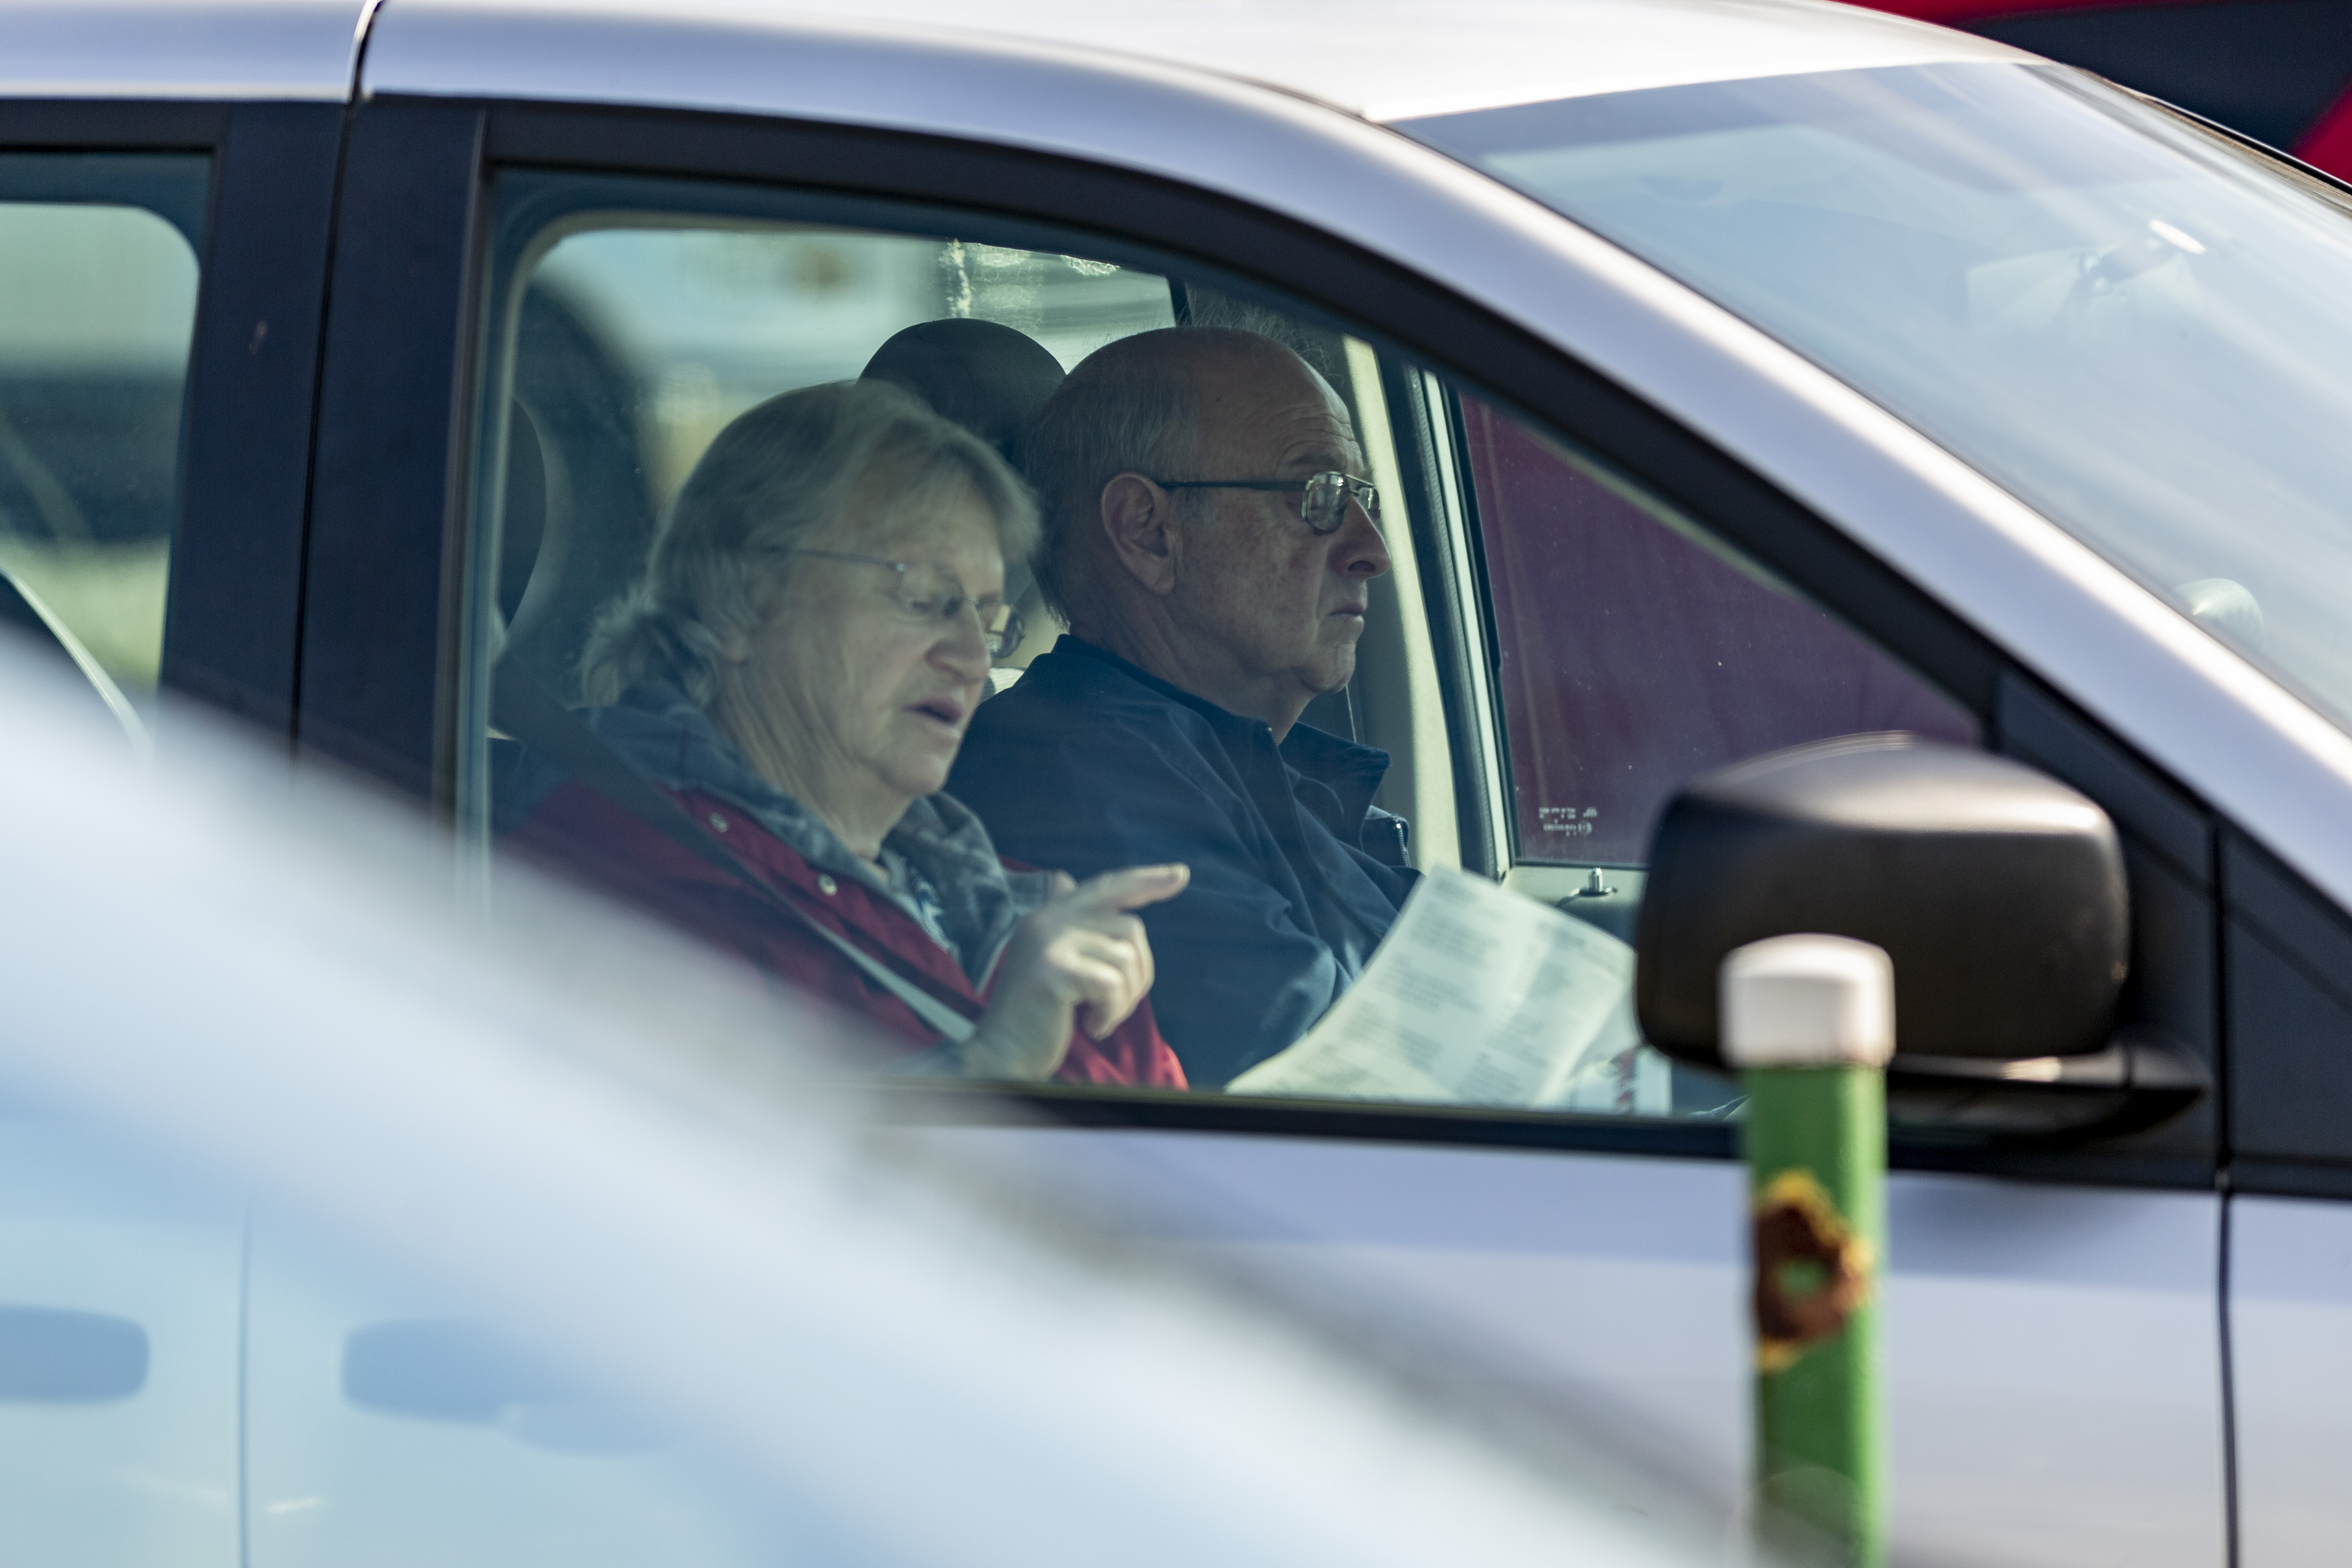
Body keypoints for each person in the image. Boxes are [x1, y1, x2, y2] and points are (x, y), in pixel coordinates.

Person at [498, 378, 1189, 1086]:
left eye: (987, 618)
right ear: (742, 599)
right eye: (925, 598)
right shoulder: (617, 879)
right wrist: (985, 1069)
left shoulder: (1022, 907)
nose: (974, 657)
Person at [948, 328, 1415, 1087]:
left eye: (1360, 496)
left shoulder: (1233, 758)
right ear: (1149, 533)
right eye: (1320, 496)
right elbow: (1334, 1088)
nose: (1373, 549)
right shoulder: (1072, 778)